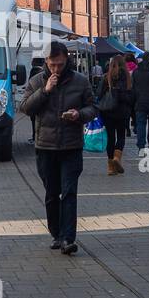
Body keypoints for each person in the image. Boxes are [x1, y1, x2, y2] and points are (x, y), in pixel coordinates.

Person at [18, 41, 99, 255]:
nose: (56, 69)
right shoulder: (36, 81)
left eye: (60, 64)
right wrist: (45, 91)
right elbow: (25, 108)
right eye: (52, 64)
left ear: (67, 60)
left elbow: (93, 107)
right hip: (45, 147)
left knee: (69, 192)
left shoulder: (80, 81)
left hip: (71, 146)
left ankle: (68, 239)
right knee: (52, 194)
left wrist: (79, 114)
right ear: (46, 61)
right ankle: (56, 234)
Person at [95, 55, 135, 176]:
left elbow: (99, 94)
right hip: (122, 112)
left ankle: (111, 167)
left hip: (107, 112)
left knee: (110, 138)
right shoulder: (128, 78)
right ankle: (117, 158)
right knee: (121, 136)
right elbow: (132, 96)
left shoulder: (106, 77)